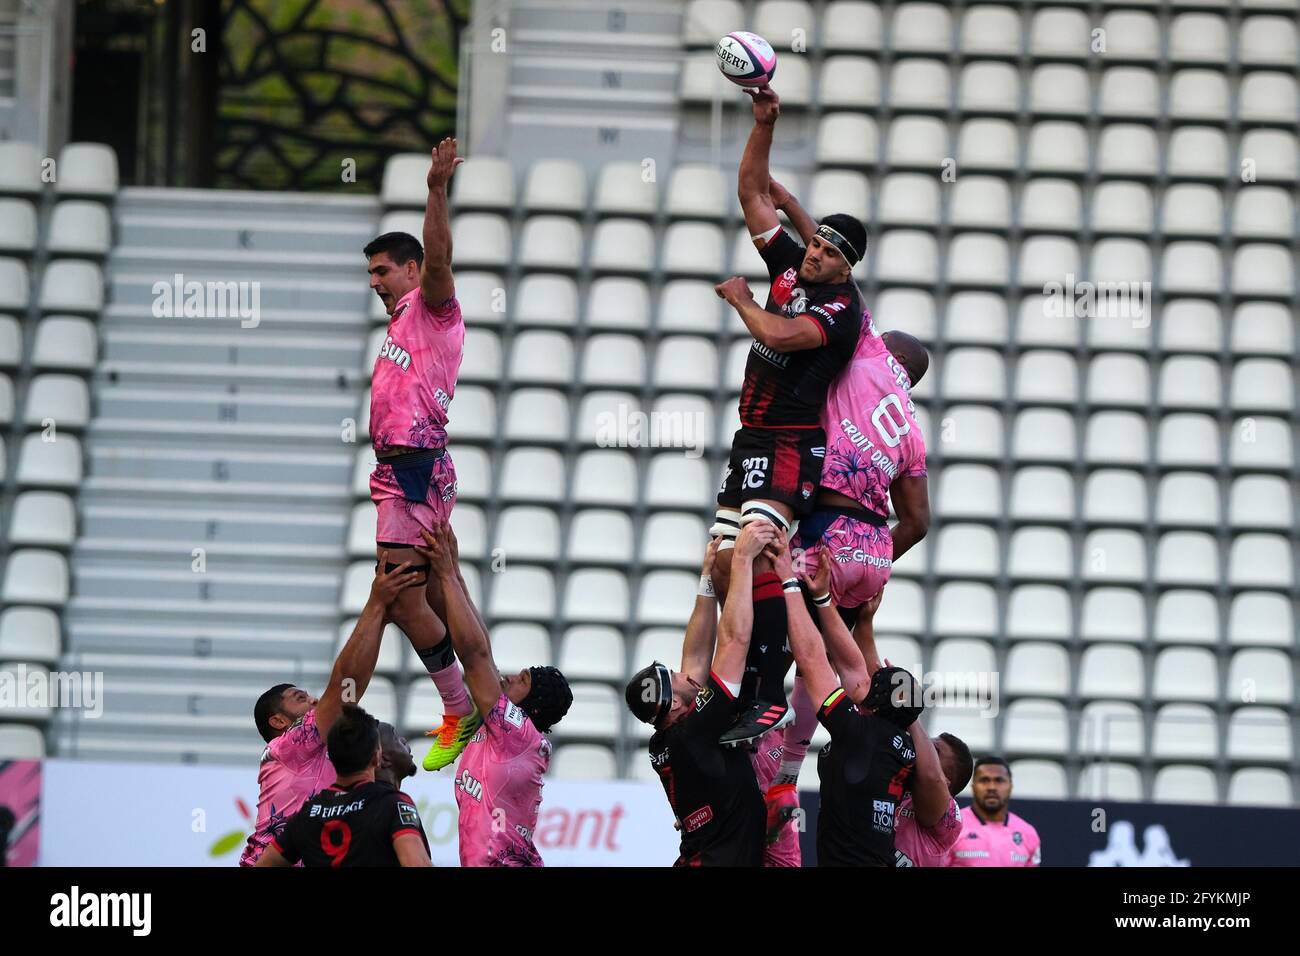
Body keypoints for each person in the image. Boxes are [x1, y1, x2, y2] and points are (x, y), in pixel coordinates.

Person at [709, 85, 869, 744]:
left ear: (847, 267)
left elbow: (781, 337)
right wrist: (762, 124)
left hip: (790, 445)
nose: (816, 255)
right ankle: (751, 688)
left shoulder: (839, 310)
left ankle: (768, 690)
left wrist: (743, 303)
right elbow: (751, 192)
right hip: (750, 440)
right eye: (816, 245)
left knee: (760, 552)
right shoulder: (794, 265)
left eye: (830, 254)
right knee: (722, 563)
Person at [365, 136, 478, 771]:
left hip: (414, 463)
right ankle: (477, 699)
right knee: (428, 595)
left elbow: (440, 258)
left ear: (410, 271)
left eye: (384, 271)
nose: (376, 282)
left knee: (401, 594)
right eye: (371, 274)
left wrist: (435, 190)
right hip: (401, 466)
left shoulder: (431, 309)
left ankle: (458, 706)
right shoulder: (400, 324)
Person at [239, 555, 423, 866]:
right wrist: (376, 605)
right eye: (300, 698)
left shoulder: (331, 766)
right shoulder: (286, 747)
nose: (314, 702)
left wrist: (383, 617)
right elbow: (344, 690)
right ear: (278, 721)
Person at [416, 522, 572, 867]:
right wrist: (453, 571)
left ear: (531, 702)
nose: (511, 676)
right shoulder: (509, 726)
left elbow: (475, 656)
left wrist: (445, 574)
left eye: (523, 679)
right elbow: (481, 646)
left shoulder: (514, 732)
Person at [624, 522, 781, 866]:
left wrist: (707, 579)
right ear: (676, 703)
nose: (685, 673)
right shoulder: (695, 729)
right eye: (675, 677)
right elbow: (734, 641)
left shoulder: (674, 734)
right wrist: (741, 559)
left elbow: (695, 658)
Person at [771, 538, 921, 866]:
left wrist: (789, 583)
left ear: (875, 701)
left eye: (874, 678)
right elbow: (852, 667)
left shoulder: (859, 732)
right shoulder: (897, 742)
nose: (868, 672)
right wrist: (825, 600)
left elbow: (812, 658)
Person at [256, 705, 432, 867]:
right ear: (377, 757)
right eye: (396, 738)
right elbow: (415, 862)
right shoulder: (392, 804)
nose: (405, 742)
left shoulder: (309, 813)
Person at [949, 756, 1042, 867]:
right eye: (984, 780)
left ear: (1010, 786)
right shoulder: (951, 827)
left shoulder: (1028, 833)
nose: (991, 787)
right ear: (973, 786)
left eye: (999, 780)